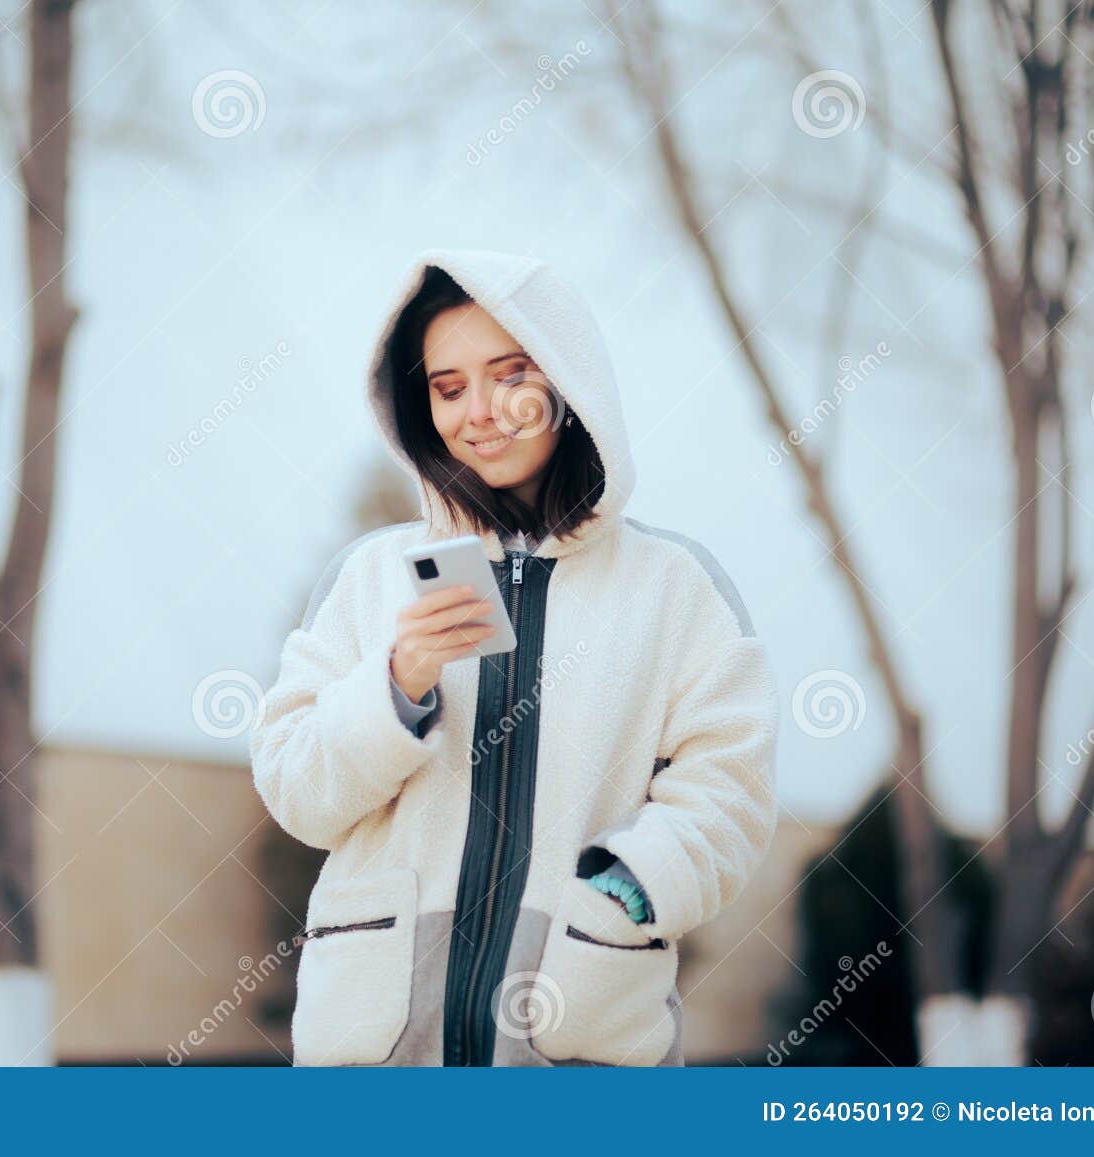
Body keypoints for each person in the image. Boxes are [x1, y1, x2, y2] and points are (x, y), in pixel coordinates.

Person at [248, 249, 779, 1066]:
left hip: (581, 1048)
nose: (480, 411)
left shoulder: (675, 588)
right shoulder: (370, 579)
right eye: (448, 387)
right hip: (375, 1052)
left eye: (510, 373)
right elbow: (296, 789)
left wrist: (618, 894)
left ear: (570, 380)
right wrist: (396, 683)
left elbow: (729, 796)